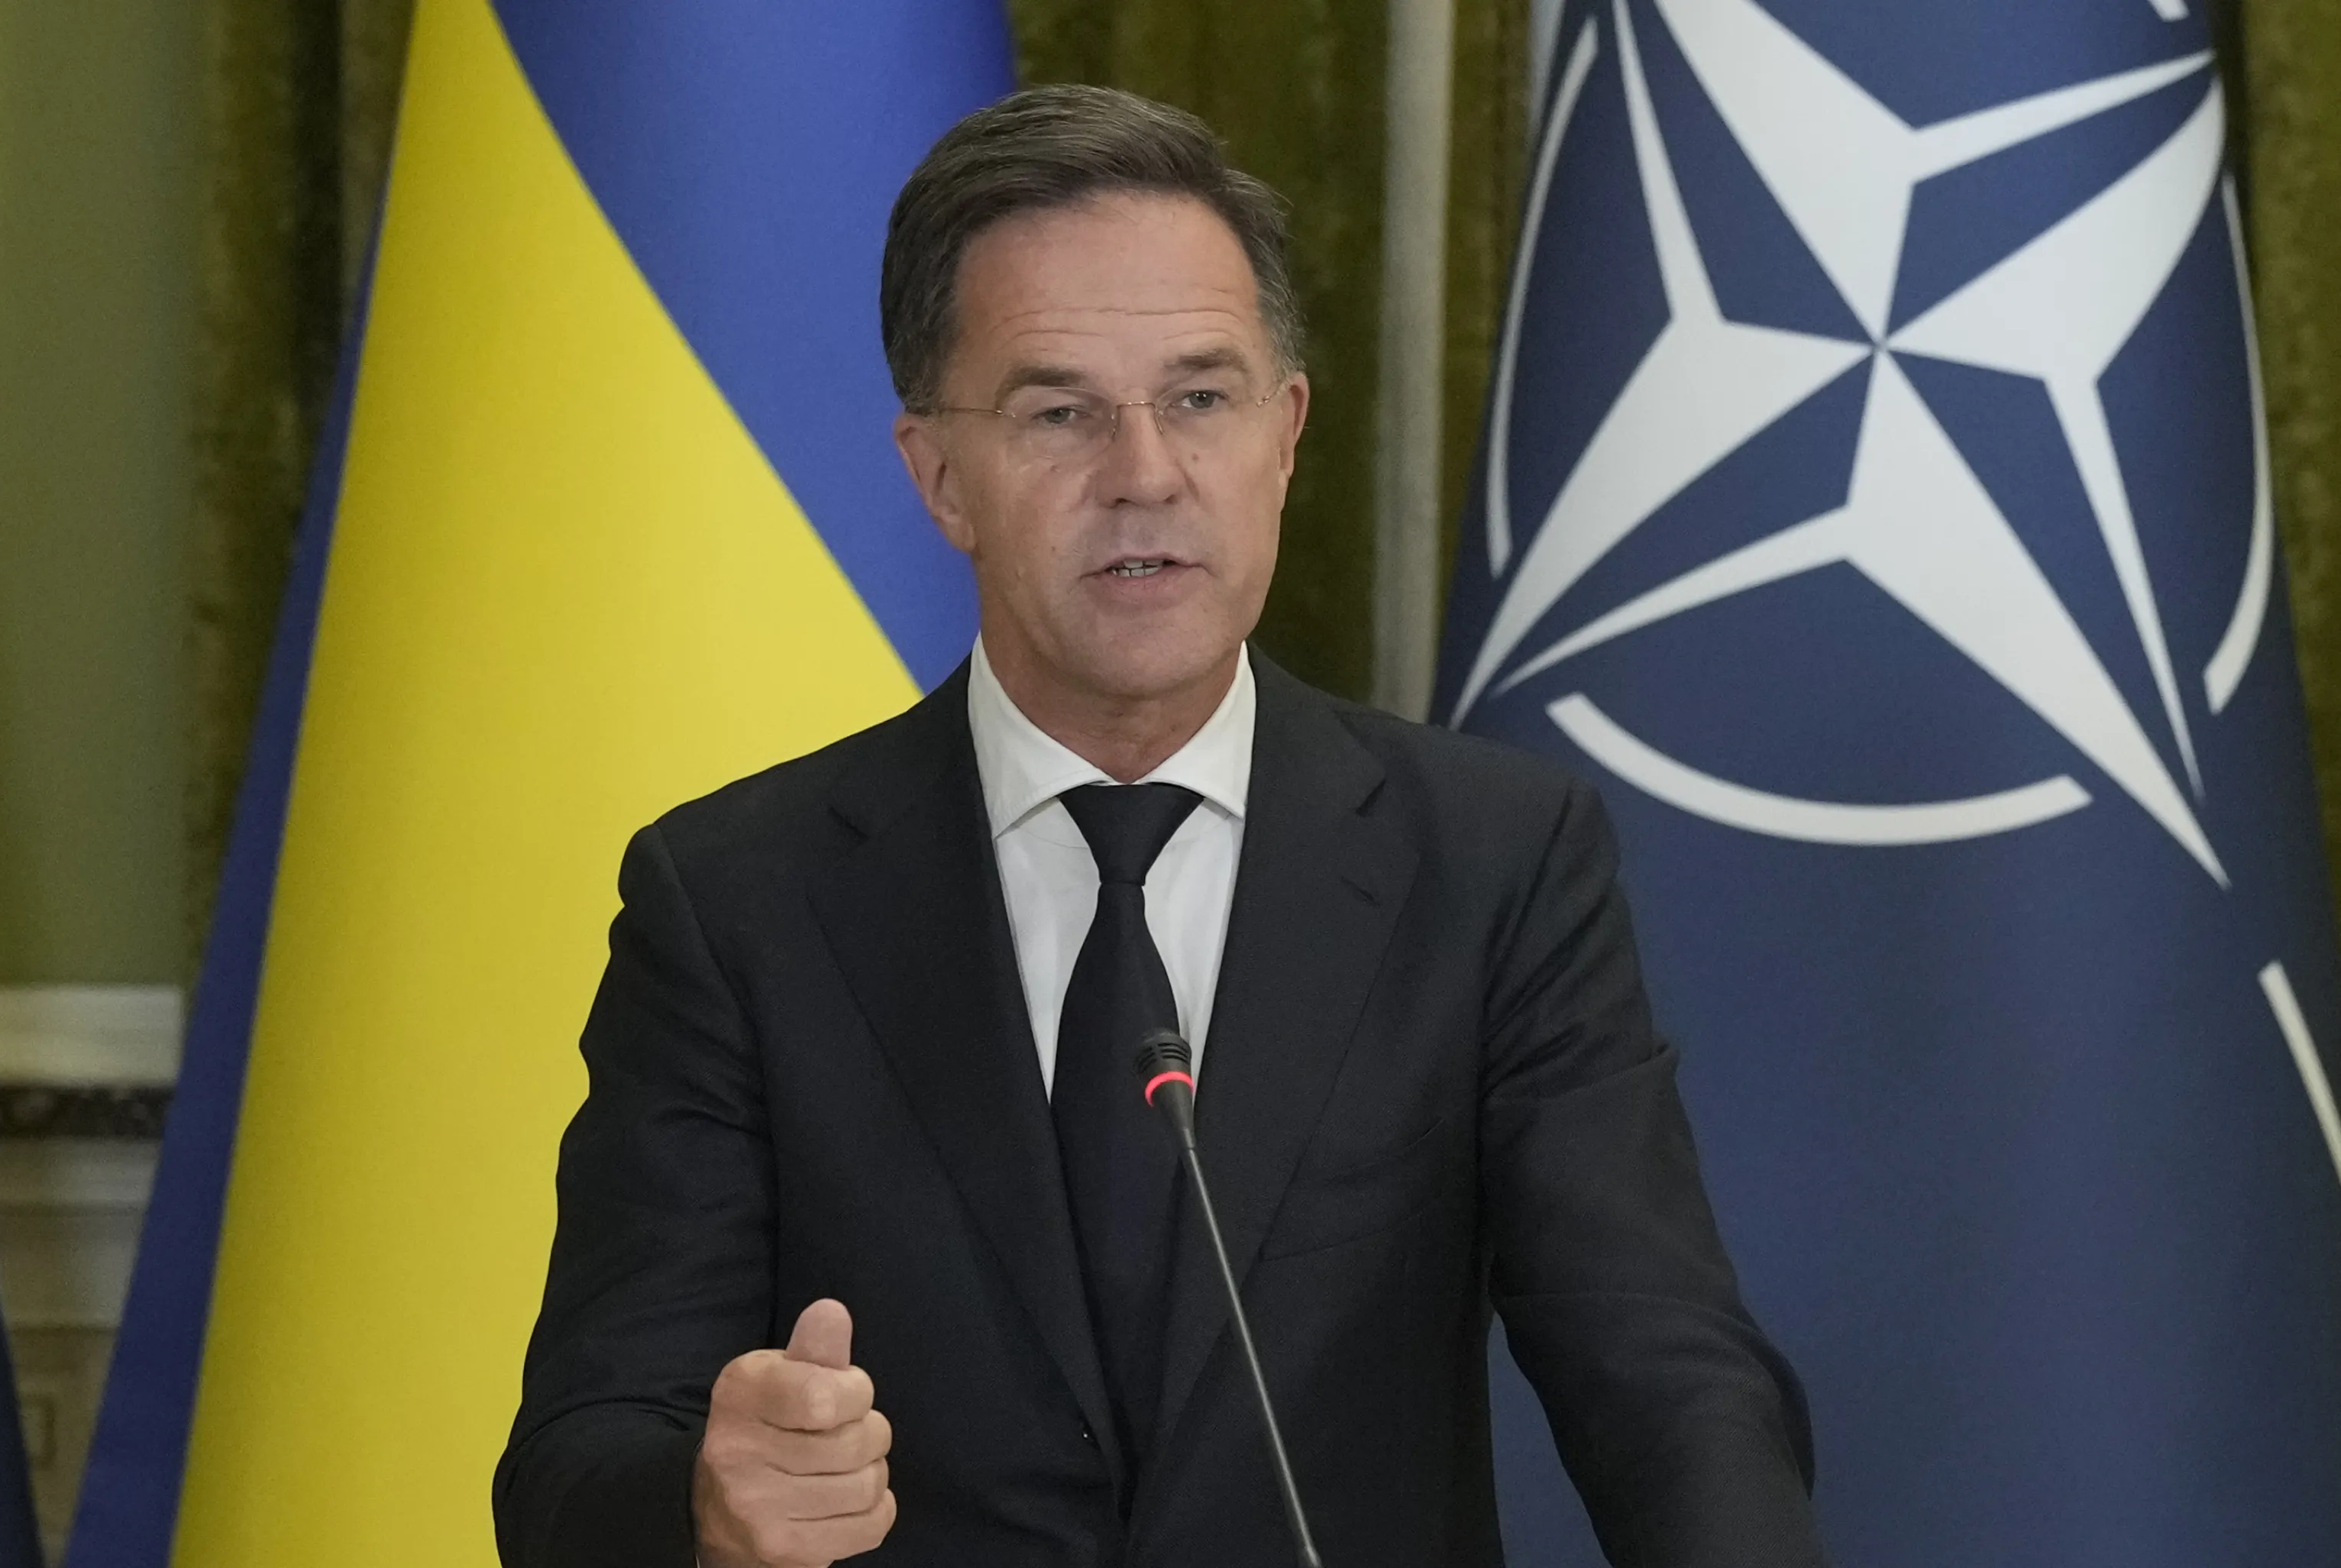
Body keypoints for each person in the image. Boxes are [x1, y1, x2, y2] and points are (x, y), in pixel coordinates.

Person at [494, 84, 1827, 1568]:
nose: (1143, 475)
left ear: (1285, 436)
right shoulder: (737, 901)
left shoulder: (1494, 862)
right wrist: (702, 1500)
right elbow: (576, 1460)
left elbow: (1663, 1376)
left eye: (1200, 398)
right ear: (940, 477)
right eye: (1058, 412)